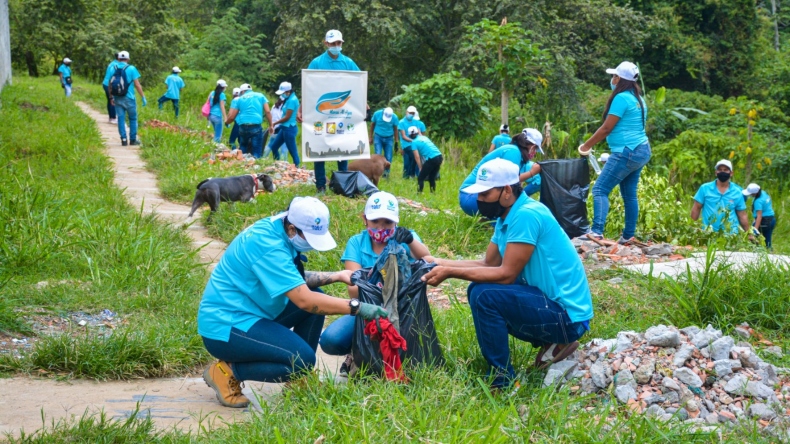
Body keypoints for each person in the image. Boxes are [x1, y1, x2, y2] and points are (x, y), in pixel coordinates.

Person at [198, 196, 388, 408]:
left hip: (252, 312)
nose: (309, 245)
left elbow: (293, 281)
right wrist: (358, 307)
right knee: (302, 360)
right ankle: (226, 371)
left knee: (317, 292)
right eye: (307, 238)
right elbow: (305, 300)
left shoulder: (277, 229)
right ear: (291, 228)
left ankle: (299, 378)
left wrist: (338, 275)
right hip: (226, 327)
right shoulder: (267, 245)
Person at [421, 158, 593, 389]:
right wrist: (437, 261)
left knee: (484, 295)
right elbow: (488, 263)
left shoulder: (526, 215)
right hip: (552, 306)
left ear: (507, 191)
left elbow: (506, 275)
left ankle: (502, 380)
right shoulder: (507, 217)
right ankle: (553, 343)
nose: (479, 201)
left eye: (485, 194)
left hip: (568, 317)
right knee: (479, 290)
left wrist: (450, 272)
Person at [319, 191, 430, 375]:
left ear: (396, 222)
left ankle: (401, 359)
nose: (381, 227)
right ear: (365, 219)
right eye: (375, 221)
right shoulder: (357, 243)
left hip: (403, 309)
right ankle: (356, 353)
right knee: (332, 340)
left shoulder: (404, 240)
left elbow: (429, 262)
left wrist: (410, 241)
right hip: (366, 310)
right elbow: (354, 290)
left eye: (387, 222)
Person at [578, 61, 651, 245]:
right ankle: (628, 236)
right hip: (641, 149)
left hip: (627, 151)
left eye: (614, 76)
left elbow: (606, 128)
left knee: (600, 189)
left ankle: (597, 232)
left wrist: (586, 146)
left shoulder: (621, 98)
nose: (612, 79)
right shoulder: (638, 99)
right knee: (629, 194)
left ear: (620, 79)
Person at [301, 29, 360, 192]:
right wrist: (301, 108)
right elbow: (307, 86)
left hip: (341, 113)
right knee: (319, 148)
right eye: (333, 43)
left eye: (339, 43)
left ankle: (342, 184)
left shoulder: (348, 63)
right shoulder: (317, 63)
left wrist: (364, 102)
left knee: (342, 149)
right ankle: (321, 185)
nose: (336, 46)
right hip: (321, 113)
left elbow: (359, 83)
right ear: (326, 43)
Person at [458, 130, 543, 216]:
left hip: (475, 196)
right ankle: (495, 222)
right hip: (471, 196)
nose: (535, 153)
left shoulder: (515, 153)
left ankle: (488, 220)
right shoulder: (513, 152)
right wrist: (532, 173)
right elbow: (508, 181)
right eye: (535, 149)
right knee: (507, 203)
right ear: (532, 146)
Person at [691, 159, 750, 235]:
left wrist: (749, 233)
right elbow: (696, 208)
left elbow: (742, 215)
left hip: (730, 236)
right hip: (708, 233)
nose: (722, 172)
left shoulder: (737, 192)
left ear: (731, 173)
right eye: (720, 170)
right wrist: (691, 228)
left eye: (725, 170)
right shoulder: (705, 189)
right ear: (716, 173)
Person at [108, 51, 146, 146]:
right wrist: (143, 97)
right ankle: (133, 140)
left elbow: (110, 84)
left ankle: (123, 139)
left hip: (117, 98)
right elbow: (137, 84)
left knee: (121, 118)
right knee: (133, 118)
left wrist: (111, 97)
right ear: (128, 59)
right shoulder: (132, 68)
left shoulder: (113, 68)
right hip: (129, 98)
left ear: (119, 58)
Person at [225, 83, 273, 158]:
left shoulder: (240, 99)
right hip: (256, 126)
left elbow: (232, 117)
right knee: (256, 149)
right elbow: (267, 112)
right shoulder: (260, 96)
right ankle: (255, 165)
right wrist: (271, 125)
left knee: (243, 147)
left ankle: (242, 163)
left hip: (243, 126)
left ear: (242, 91)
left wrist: (227, 122)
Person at [268, 82, 301, 165]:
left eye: (283, 93)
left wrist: (275, 123)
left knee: (293, 152)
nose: (282, 95)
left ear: (288, 92)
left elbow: (287, 117)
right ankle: (278, 164)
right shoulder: (287, 99)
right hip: (284, 128)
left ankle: (297, 168)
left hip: (289, 129)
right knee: (274, 147)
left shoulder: (292, 100)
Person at [742, 183, 777, 250]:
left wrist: (755, 229)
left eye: (751, 194)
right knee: (768, 240)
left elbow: (759, 216)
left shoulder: (758, 202)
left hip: (764, 221)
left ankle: (758, 249)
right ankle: (769, 251)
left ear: (755, 193)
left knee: (751, 236)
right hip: (771, 220)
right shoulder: (763, 193)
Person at [409, 128, 443, 193]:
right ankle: (433, 193)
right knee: (432, 177)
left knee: (421, 178)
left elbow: (417, 156)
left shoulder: (414, 142)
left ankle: (419, 193)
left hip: (432, 158)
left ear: (410, 135)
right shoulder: (424, 138)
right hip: (439, 156)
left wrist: (420, 167)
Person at [370, 107, 399, 177]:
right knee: (378, 155)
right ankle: (376, 172)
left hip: (389, 137)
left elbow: (395, 129)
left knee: (388, 157)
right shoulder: (377, 114)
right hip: (378, 136)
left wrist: (396, 142)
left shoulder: (394, 117)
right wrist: (370, 137)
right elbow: (372, 125)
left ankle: (386, 174)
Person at [398, 105, 426, 179]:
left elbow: (420, 133)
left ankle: (413, 174)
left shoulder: (416, 122)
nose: (411, 114)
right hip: (406, 144)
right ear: (406, 112)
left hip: (415, 144)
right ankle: (407, 175)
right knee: (408, 161)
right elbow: (403, 136)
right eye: (410, 113)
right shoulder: (401, 122)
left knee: (414, 159)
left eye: (413, 113)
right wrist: (413, 141)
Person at [265, 94, 285, 160]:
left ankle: (263, 157)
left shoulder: (274, 106)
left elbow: (270, 116)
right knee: (283, 146)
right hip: (281, 128)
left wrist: (271, 126)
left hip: (273, 128)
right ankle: (283, 161)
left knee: (270, 144)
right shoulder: (285, 107)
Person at [102, 54, 120, 124]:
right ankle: (113, 117)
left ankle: (111, 117)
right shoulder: (115, 65)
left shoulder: (113, 63)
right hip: (109, 84)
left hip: (106, 83)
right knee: (112, 99)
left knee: (110, 100)